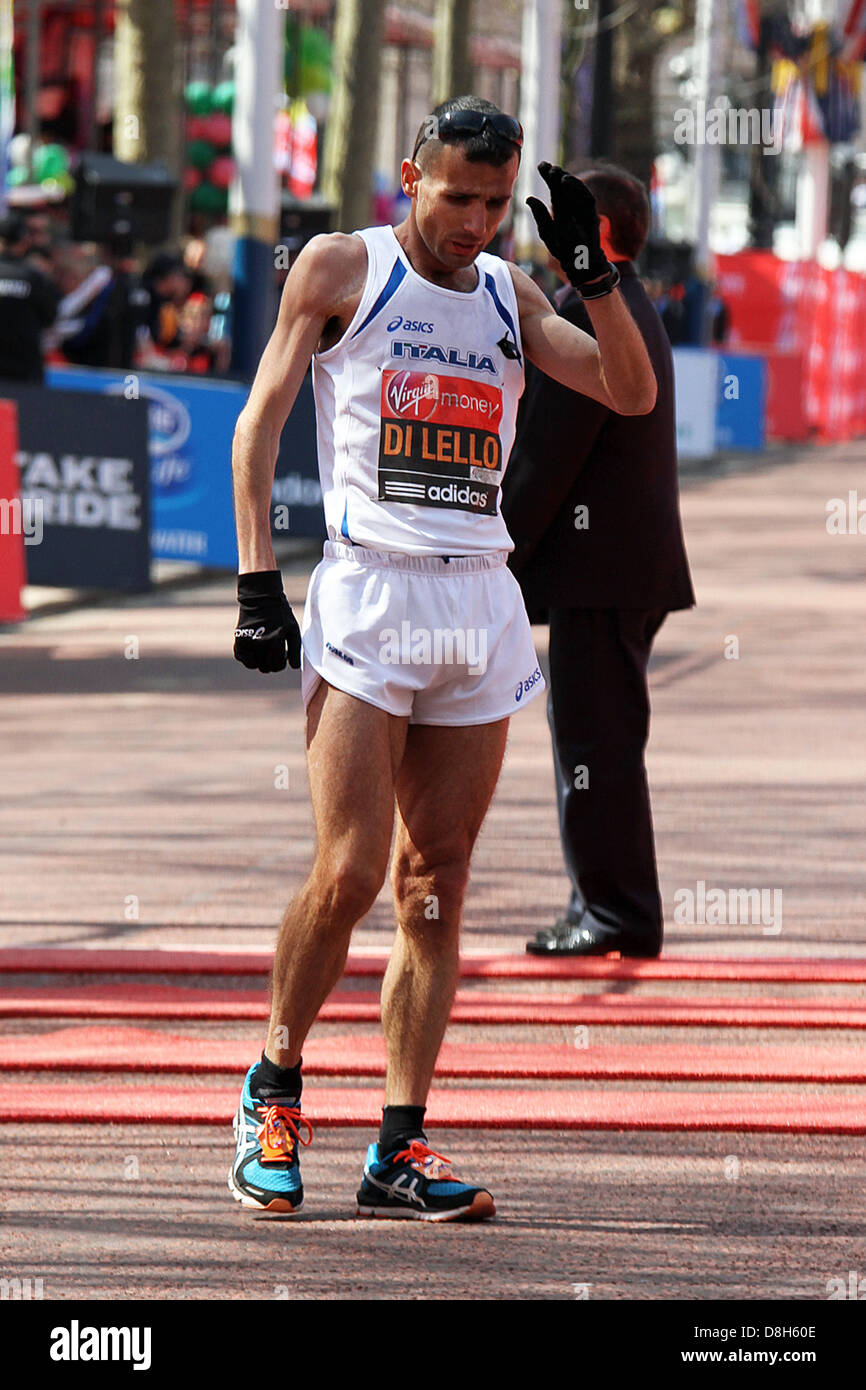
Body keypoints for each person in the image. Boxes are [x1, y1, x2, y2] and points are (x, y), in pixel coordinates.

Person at [228, 98, 656, 1220]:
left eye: (489, 201)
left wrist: (593, 274)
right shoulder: (339, 269)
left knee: (435, 883)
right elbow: (261, 418)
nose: (469, 219)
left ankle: (397, 1146)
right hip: (369, 590)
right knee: (351, 870)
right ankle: (272, 1090)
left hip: (478, 601)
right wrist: (256, 580)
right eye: (451, 194)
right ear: (410, 175)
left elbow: (629, 390)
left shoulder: (514, 297)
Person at [501, 163, 695, 959]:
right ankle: (610, 904)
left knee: (593, 746)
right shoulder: (626, 309)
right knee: (601, 743)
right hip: (617, 572)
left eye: (569, 217)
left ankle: (614, 912)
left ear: (600, 231)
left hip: (602, 574)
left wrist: (492, 557)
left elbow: (547, 459)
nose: (549, 232)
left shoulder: (590, 310)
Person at [0, 211, 60, 383]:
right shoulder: (34, 277)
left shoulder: (34, 276)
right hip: (25, 372)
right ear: (23, 242)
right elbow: (50, 317)